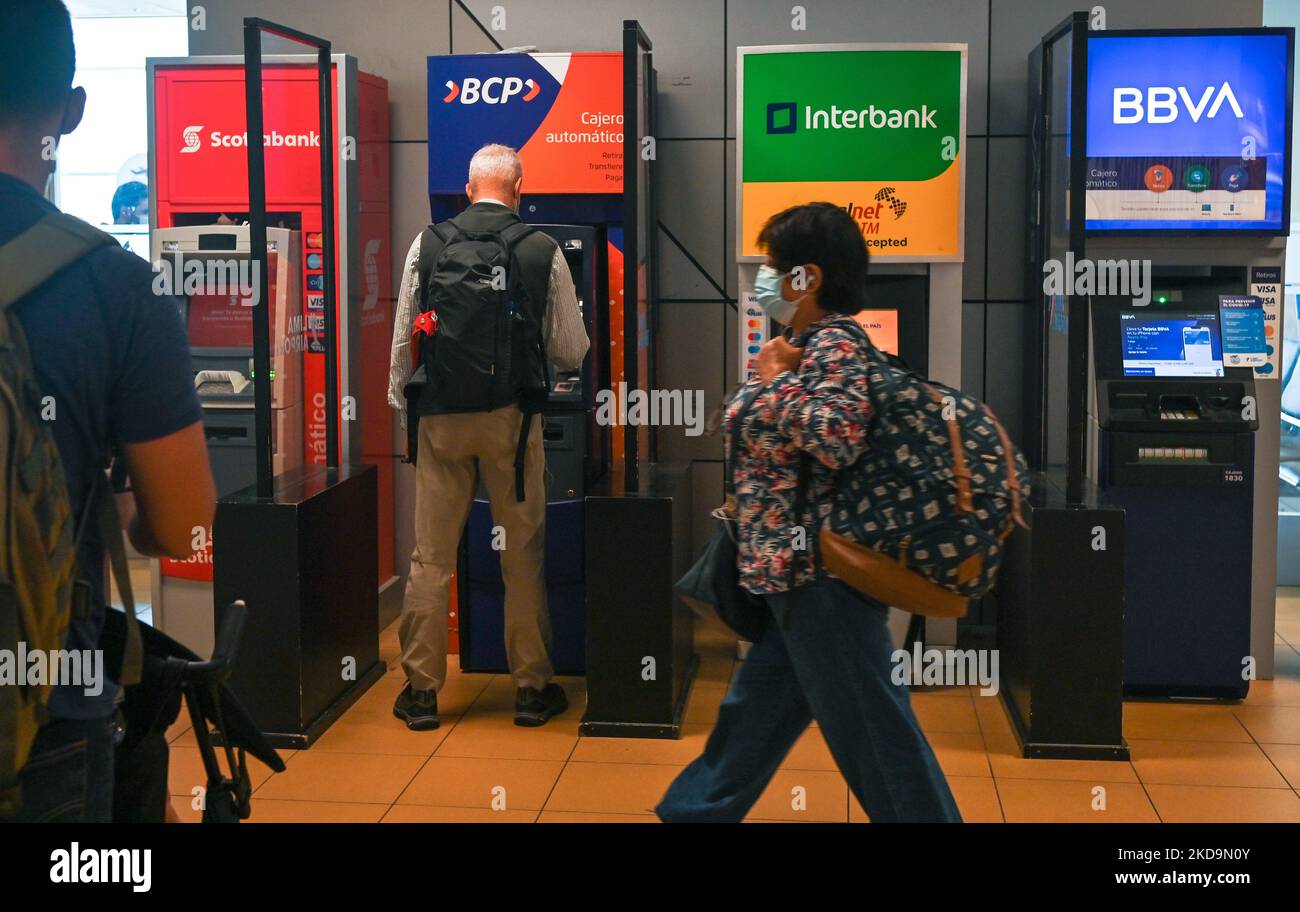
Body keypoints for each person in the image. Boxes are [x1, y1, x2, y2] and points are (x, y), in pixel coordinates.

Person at [656, 202, 961, 823]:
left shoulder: (836, 345)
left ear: (808, 278)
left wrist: (772, 382)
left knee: (878, 738)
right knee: (748, 730)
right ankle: (692, 815)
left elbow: (837, 435)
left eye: (775, 266)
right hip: (790, 582)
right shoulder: (803, 346)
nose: (766, 278)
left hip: (820, 583)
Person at [0, 0, 215, 822]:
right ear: (72, 110)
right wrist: (117, 495)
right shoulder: (114, 288)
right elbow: (187, 528)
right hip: (47, 707)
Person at [387, 143, 588, 730]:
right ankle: (530, 689)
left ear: (468, 189)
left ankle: (422, 694)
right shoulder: (542, 249)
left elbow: (404, 340)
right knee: (521, 555)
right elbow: (569, 349)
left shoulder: (427, 244)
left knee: (431, 558)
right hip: (512, 423)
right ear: (519, 190)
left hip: (441, 423)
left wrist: (406, 408)